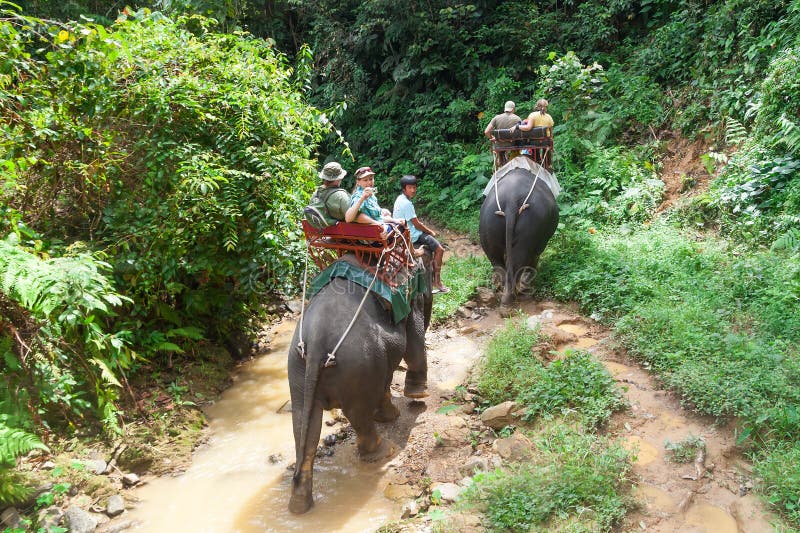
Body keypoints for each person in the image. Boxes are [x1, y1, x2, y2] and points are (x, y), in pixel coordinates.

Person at [393, 175, 450, 294]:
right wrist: (430, 231)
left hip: (401, 232)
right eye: (410, 188)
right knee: (440, 249)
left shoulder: (400, 199)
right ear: (404, 189)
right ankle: (437, 282)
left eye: (414, 187)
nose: (413, 190)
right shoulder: (407, 204)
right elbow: (417, 224)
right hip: (412, 235)